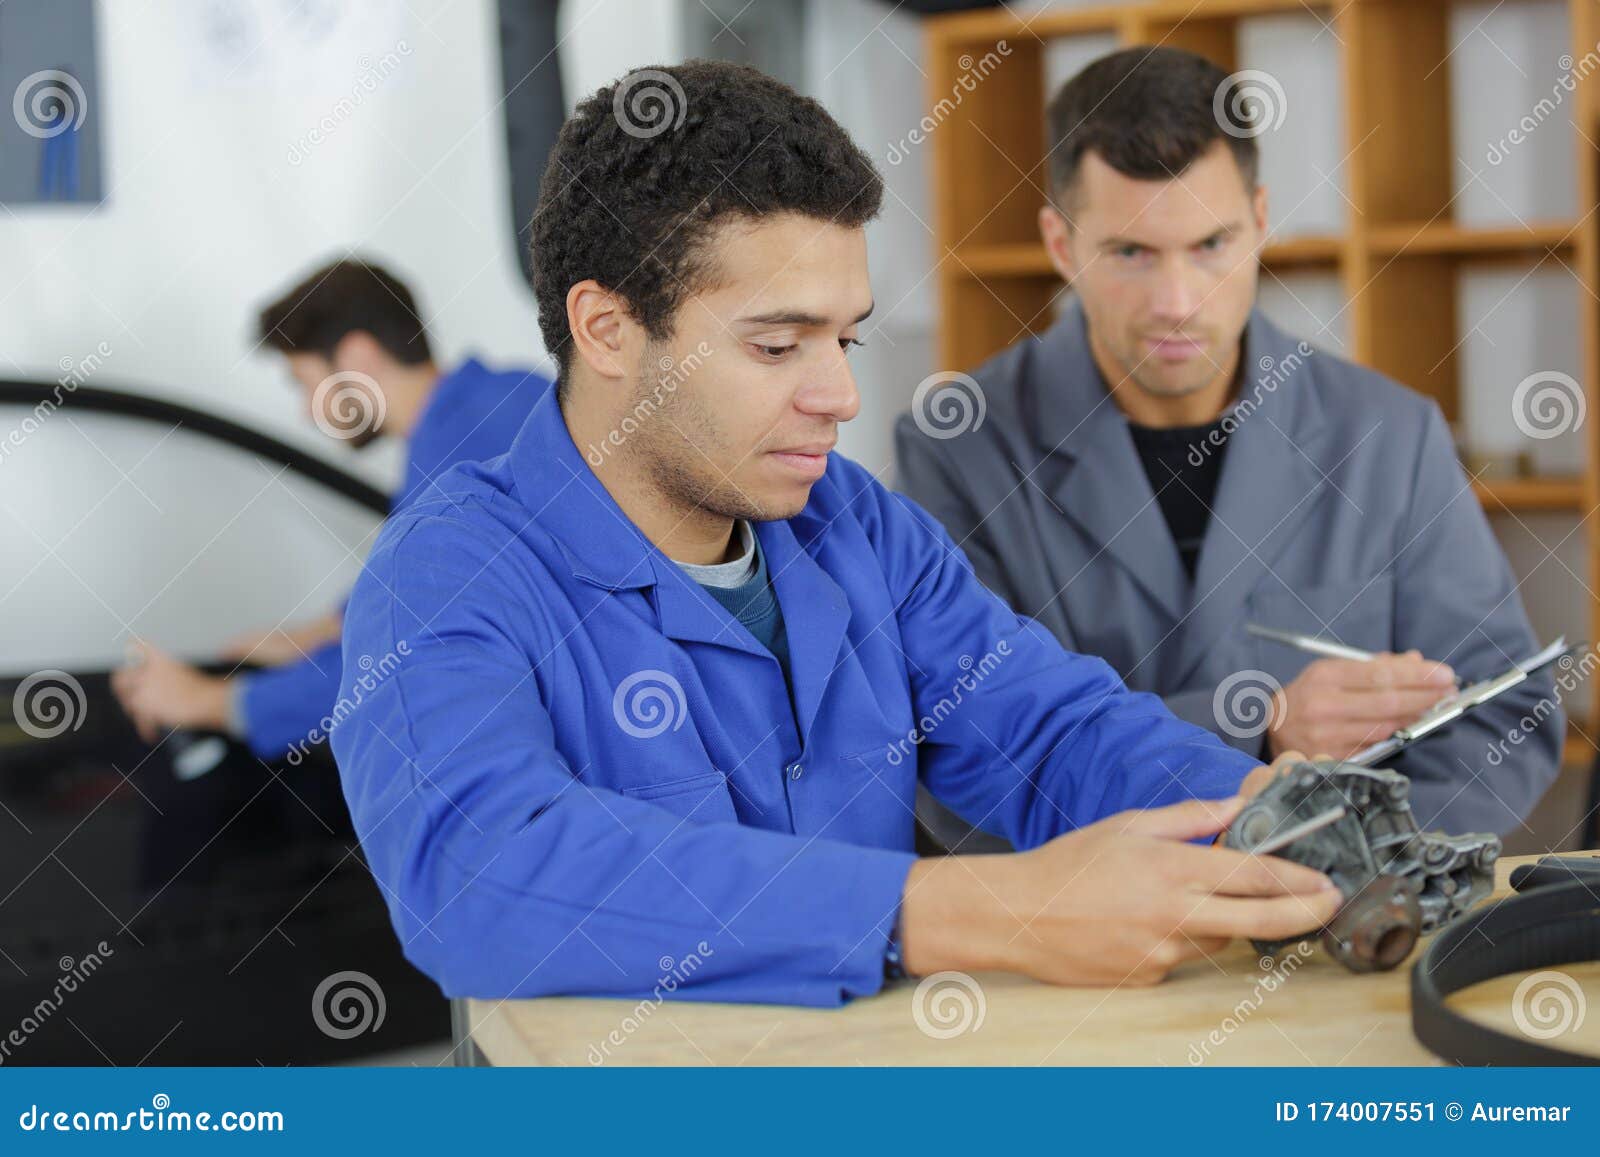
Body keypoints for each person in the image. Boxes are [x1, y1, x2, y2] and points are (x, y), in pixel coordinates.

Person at [328, 61, 1341, 1008]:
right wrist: (972, 910)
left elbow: (1046, 729)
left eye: (844, 337)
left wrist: (1265, 811)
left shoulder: (852, 527)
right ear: (608, 329)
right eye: (777, 344)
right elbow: (484, 874)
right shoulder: (451, 572)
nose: (840, 395)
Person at [895, 47, 1559, 843]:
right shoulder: (959, 448)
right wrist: (1254, 724)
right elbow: (948, 748)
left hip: (1343, 933)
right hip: (1089, 943)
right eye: (1131, 253)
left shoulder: (1390, 432)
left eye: (1212, 244)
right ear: (1061, 244)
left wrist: (1368, 865)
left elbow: (1506, 709)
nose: (1178, 303)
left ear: (1261, 220)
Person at [110, 259, 553, 762]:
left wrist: (211, 701)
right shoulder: (507, 398)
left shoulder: (458, 468)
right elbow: (422, 590)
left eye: (303, 381)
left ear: (359, 356)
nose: (305, 410)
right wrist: (320, 632)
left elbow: (393, 661)